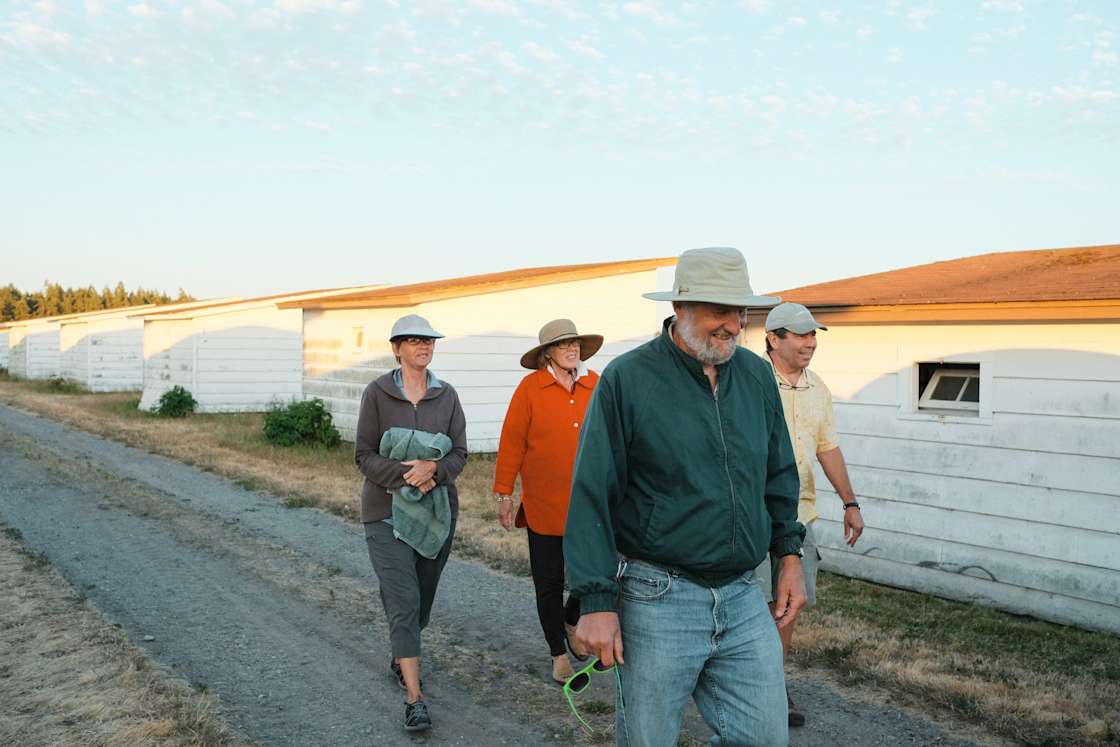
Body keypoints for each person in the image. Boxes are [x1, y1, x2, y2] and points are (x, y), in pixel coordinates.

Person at [565, 247, 807, 747]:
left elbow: (778, 471)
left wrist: (789, 555)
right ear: (680, 308)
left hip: (742, 595)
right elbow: (592, 492)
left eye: (740, 312)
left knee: (766, 738)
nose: (734, 325)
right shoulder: (628, 380)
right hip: (658, 597)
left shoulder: (757, 376)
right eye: (720, 311)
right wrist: (595, 599)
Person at [354, 314, 467, 733]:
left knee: (419, 598)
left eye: (429, 341)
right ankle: (415, 698)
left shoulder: (447, 396)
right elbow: (364, 455)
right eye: (414, 340)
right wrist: (408, 473)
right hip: (384, 512)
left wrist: (434, 470)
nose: (423, 346)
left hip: (436, 514)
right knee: (402, 598)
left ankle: (403, 651)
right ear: (396, 348)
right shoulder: (377, 393)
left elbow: (460, 453)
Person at [756, 301, 865, 728]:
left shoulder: (817, 388)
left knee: (788, 606)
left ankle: (772, 687)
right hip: (754, 514)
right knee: (757, 606)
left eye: (812, 335)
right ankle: (751, 687)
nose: (810, 343)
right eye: (800, 335)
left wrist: (850, 503)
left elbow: (827, 447)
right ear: (773, 339)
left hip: (801, 517)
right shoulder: (751, 381)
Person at [493, 319, 603, 684]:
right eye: (564, 345)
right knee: (549, 581)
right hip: (544, 505)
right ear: (548, 354)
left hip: (589, 504)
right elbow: (512, 442)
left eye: (575, 344)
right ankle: (558, 652)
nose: (573, 350)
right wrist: (504, 493)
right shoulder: (530, 388)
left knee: (596, 574)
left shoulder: (595, 384)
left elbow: (614, 435)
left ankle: (573, 618)